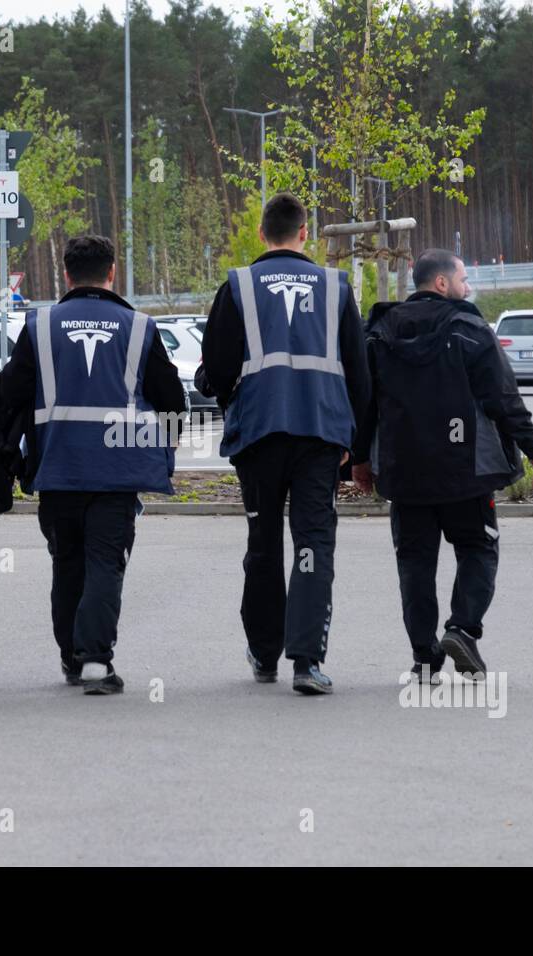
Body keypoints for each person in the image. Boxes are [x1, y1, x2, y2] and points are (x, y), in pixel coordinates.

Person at [199, 193, 370, 695]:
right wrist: (355, 448)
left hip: (258, 435)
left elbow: (217, 368)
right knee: (313, 543)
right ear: (304, 235)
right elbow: (359, 375)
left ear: (260, 234)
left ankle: (264, 652)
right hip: (320, 435)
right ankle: (306, 661)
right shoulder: (337, 287)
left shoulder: (238, 286)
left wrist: (228, 399)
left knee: (263, 543)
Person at [352, 249, 533, 683]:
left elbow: (364, 403)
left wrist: (361, 458)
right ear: (441, 283)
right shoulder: (470, 329)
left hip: (405, 474)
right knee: (478, 548)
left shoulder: (379, 333)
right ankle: (462, 628)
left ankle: (424, 657)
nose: (467, 286)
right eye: (462, 278)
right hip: (466, 473)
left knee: (415, 563)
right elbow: (503, 396)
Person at [0, 235, 185, 694]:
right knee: (106, 561)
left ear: (66, 274)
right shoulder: (140, 327)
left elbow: (9, 396)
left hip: (58, 469)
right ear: (112, 272)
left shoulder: (40, 325)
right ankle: (96, 662)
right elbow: (171, 400)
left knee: (67, 563)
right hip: (117, 472)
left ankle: (72, 657)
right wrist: (164, 452)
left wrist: (7, 456)